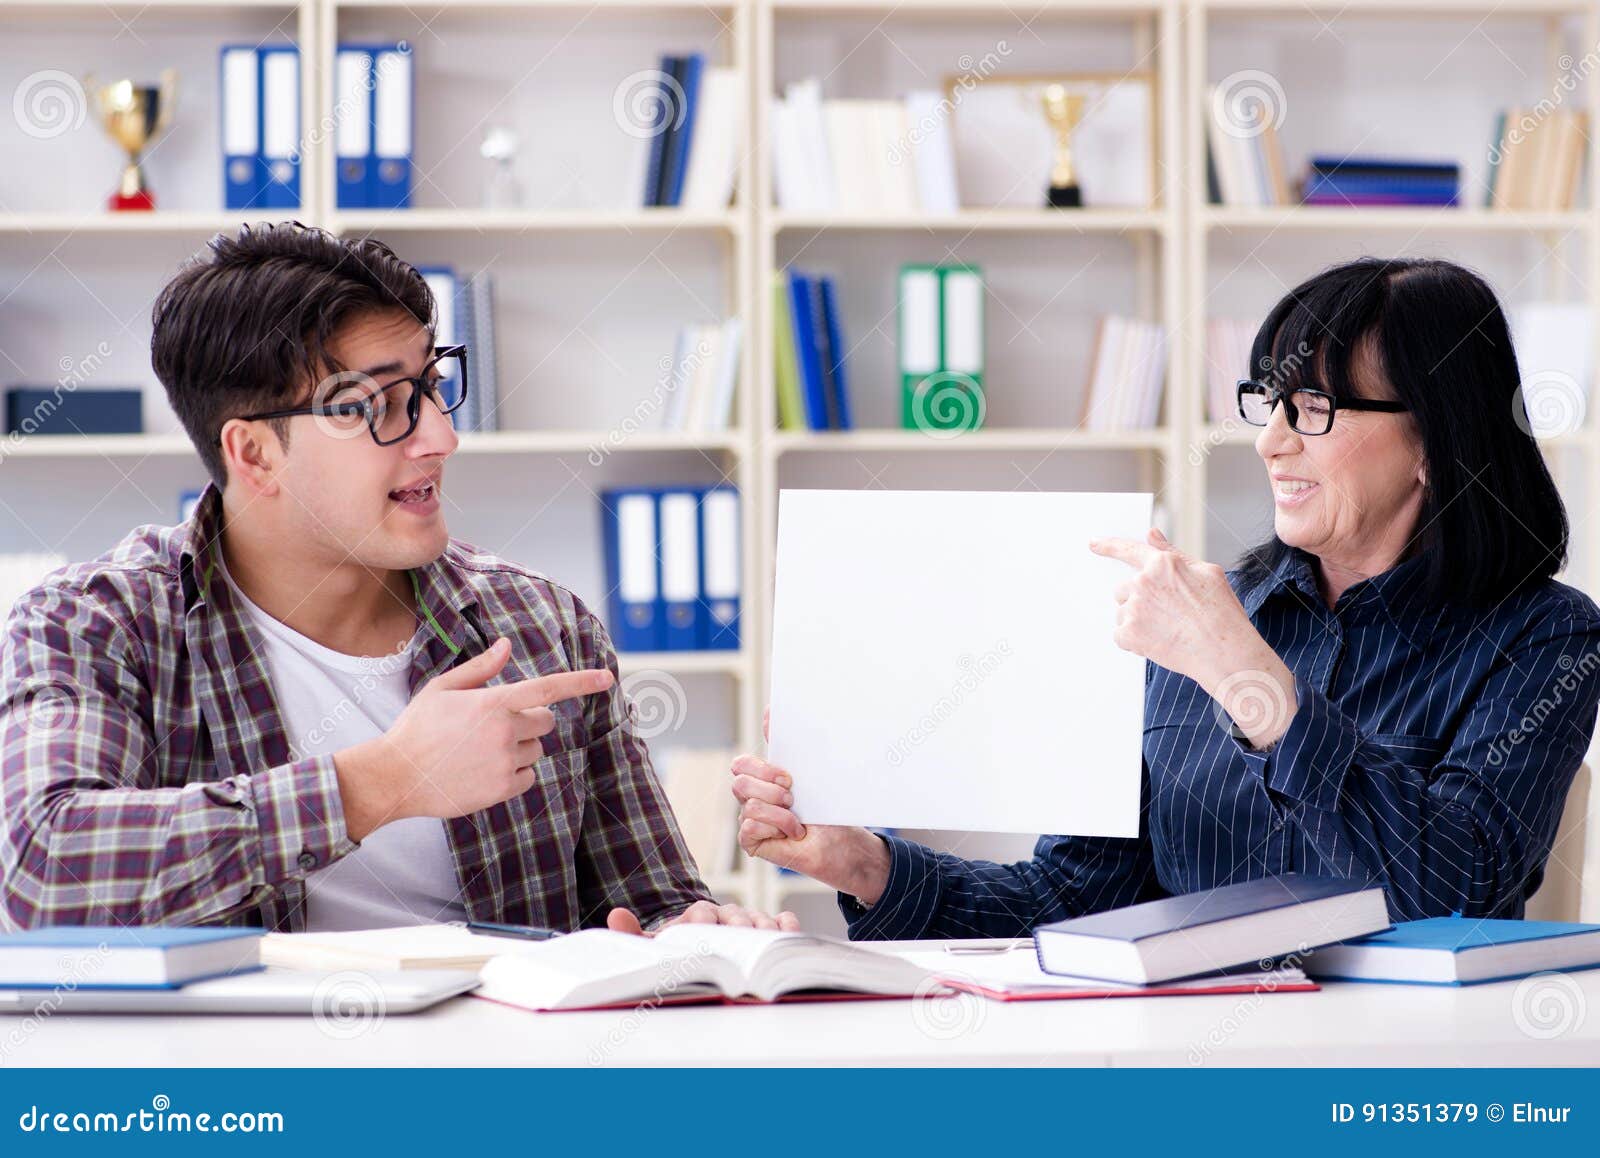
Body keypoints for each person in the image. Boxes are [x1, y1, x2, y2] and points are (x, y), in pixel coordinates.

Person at [732, 256, 1600, 938]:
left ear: (1435, 440)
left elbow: (1449, 890)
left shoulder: (1545, 638)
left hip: (1396, 1065)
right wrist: (863, 864)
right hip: (1181, 1056)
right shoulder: (1201, 621)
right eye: (1268, 401)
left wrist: (1253, 684)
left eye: (1314, 408)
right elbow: (1076, 904)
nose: (1271, 442)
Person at [0, 222, 795, 935]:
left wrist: (691, 937)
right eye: (375, 405)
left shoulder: (543, 624)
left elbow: (651, 902)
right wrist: (383, 781)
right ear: (253, 454)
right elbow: (42, 872)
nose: (440, 437)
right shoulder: (95, 623)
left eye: (432, 386)